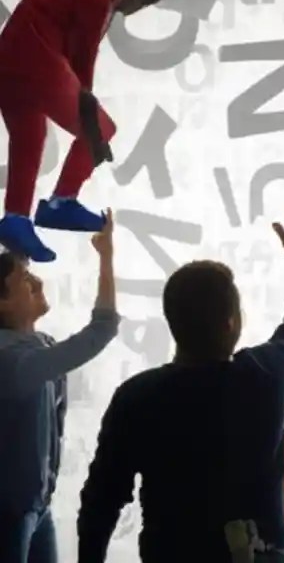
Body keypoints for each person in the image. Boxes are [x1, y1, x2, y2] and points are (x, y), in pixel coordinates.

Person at [77, 195, 284, 563]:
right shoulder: (263, 378)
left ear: (173, 322)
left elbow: (102, 498)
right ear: (231, 322)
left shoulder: (137, 397)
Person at [0, 0, 165, 263]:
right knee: (103, 127)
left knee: (29, 139)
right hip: (36, 61)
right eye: (141, 3)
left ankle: (16, 218)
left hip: (9, 64)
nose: (137, 9)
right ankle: (62, 203)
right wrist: (88, 107)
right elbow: (83, 56)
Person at [0, 216, 120, 563]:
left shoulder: (38, 345)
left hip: (36, 507)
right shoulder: (11, 361)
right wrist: (106, 257)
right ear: (3, 303)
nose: (37, 281)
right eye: (24, 280)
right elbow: (101, 330)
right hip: (9, 514)